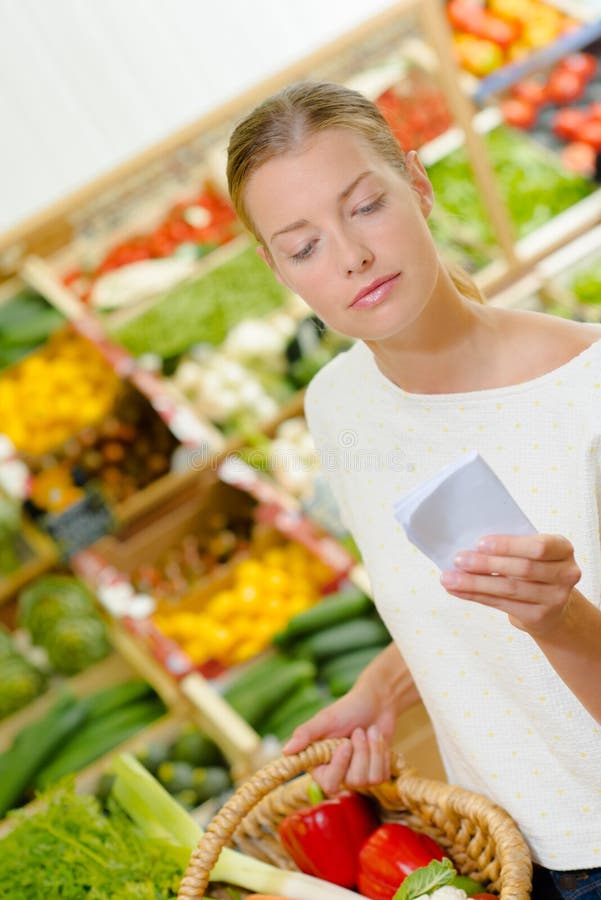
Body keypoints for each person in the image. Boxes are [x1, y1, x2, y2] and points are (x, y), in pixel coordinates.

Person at [226, 81, 601, 899]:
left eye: (364, 207)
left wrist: (560, 618)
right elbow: (463, 604)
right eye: (302, 246)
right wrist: (383, 688)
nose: (350, 257)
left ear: (418, 184)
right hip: (493, 851)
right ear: (276, 270)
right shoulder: (339, 405)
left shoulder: (588, 395)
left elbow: (547, 620)